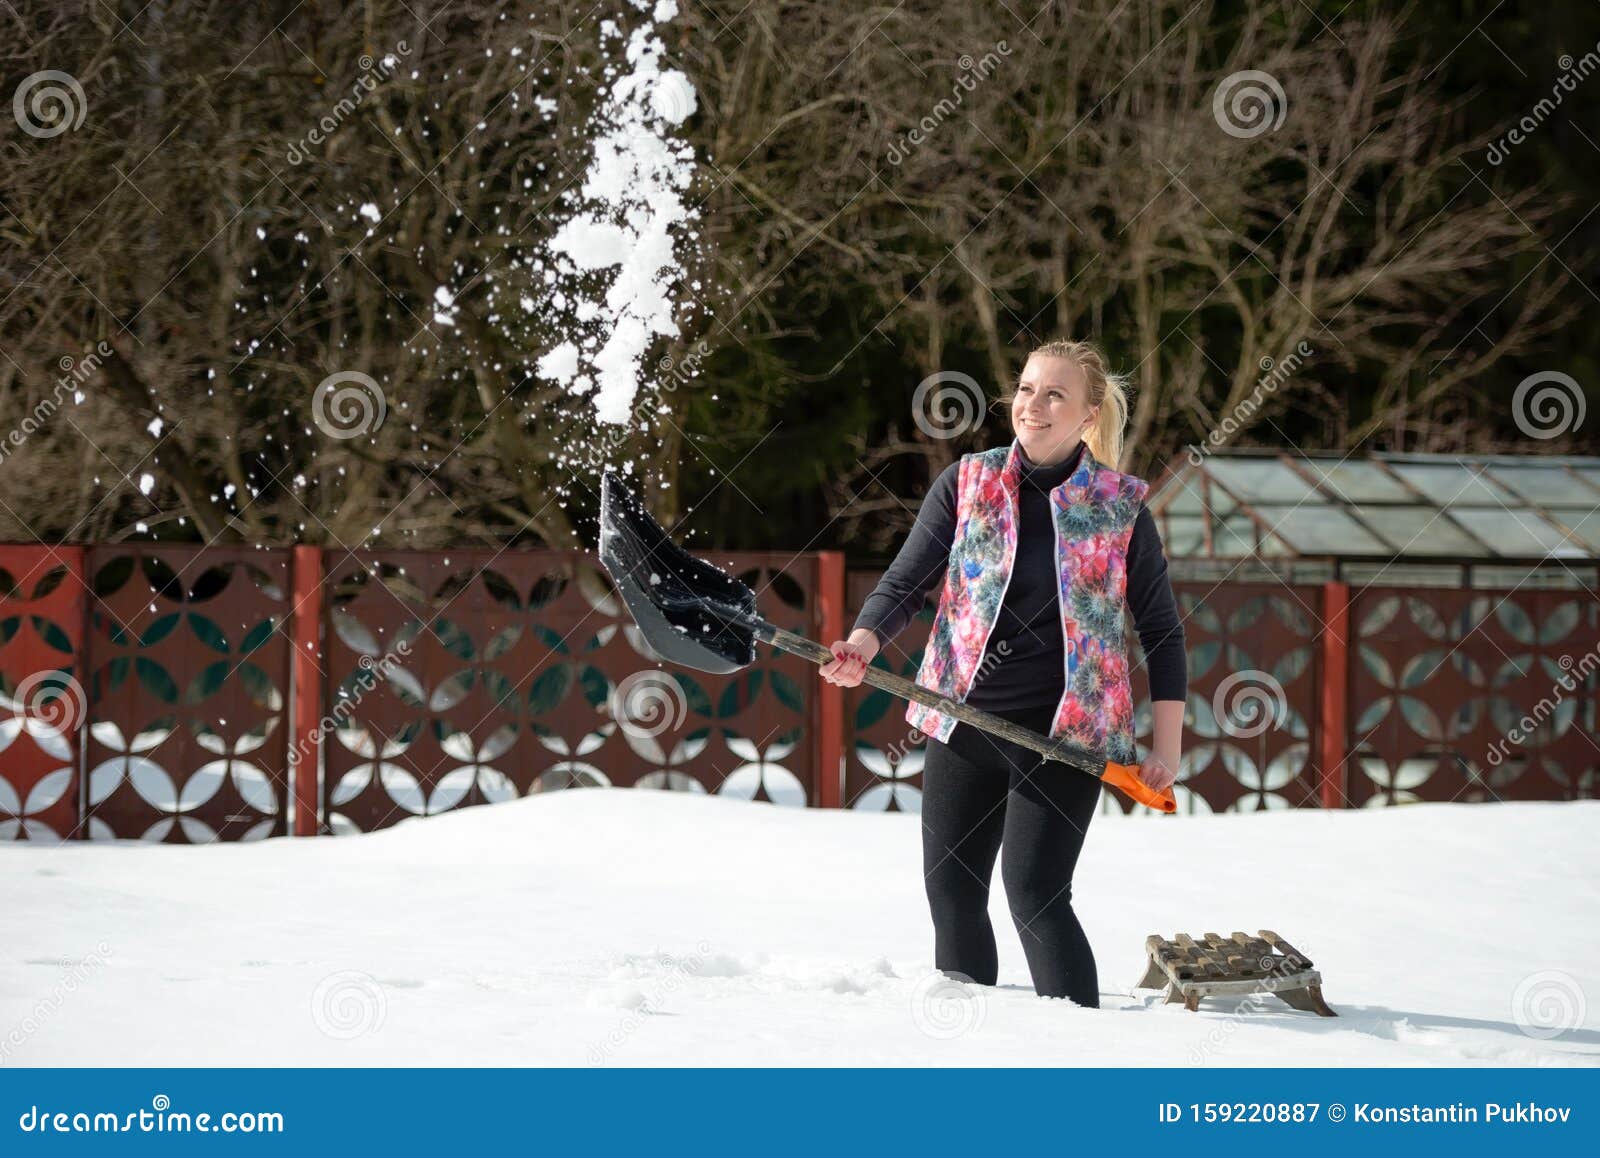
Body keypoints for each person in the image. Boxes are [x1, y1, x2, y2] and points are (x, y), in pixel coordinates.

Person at [818, 338, 1187, 1008]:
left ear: (1088, 414)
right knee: (953, 894)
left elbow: (1161, 631)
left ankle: (1080, 1053)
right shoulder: (968, 483)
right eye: (1025, 389)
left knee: (1036, 896)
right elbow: (906, 582)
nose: (1033, 405)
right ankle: (971, 1059)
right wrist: (863, 643)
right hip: (965, 724)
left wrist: (1167, 747)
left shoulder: (1120, 505)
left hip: (1065, 739)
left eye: (1054, 394)